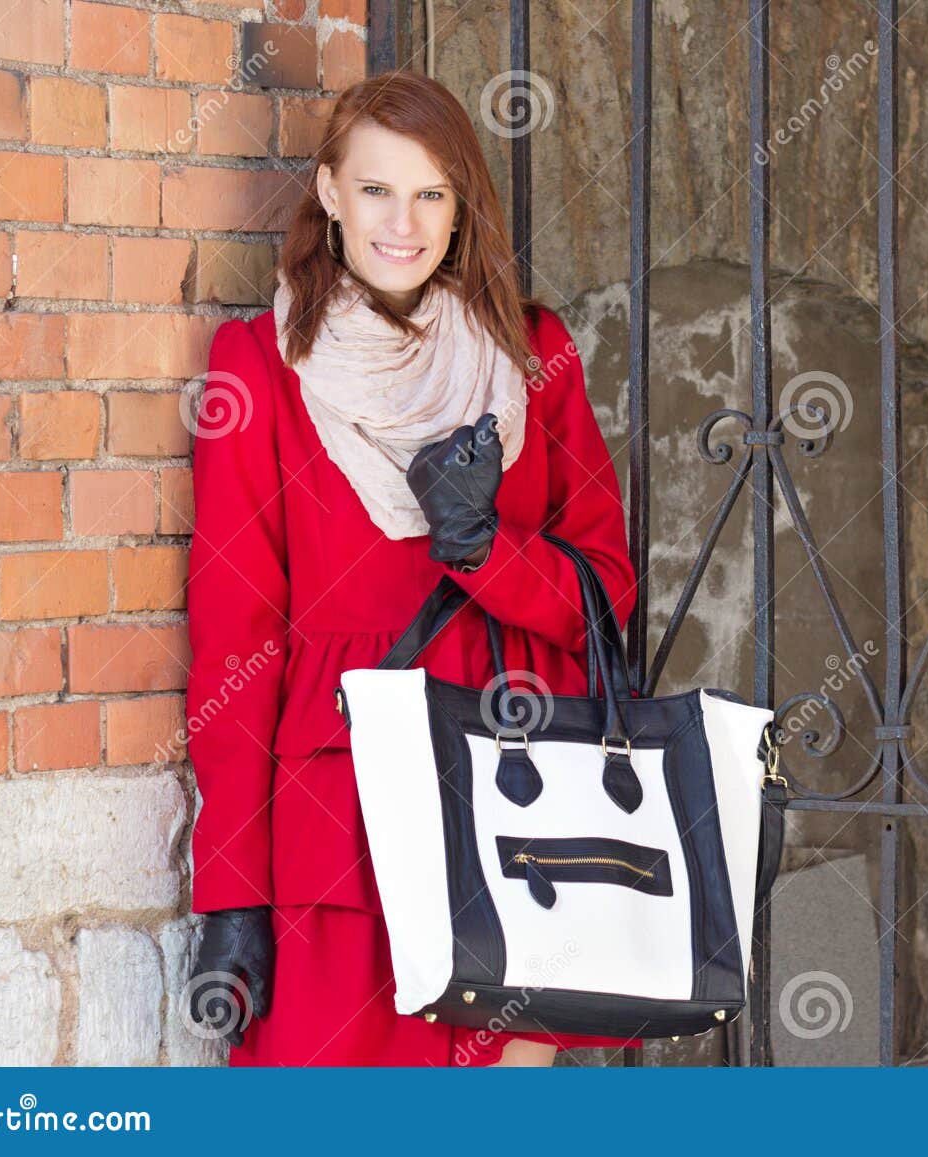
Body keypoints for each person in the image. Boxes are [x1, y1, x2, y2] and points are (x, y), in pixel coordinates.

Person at [179, 70, 642, 1067]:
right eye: (378, 189)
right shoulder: (258, 366)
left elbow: (604, 594)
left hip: (515, 805)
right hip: (334, 823)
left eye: (432, 193)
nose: (405, 221)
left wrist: (486, 548)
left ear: (461, 206)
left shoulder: (532, 354)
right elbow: (234, 639)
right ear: (330, 193)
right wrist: (229, 893)